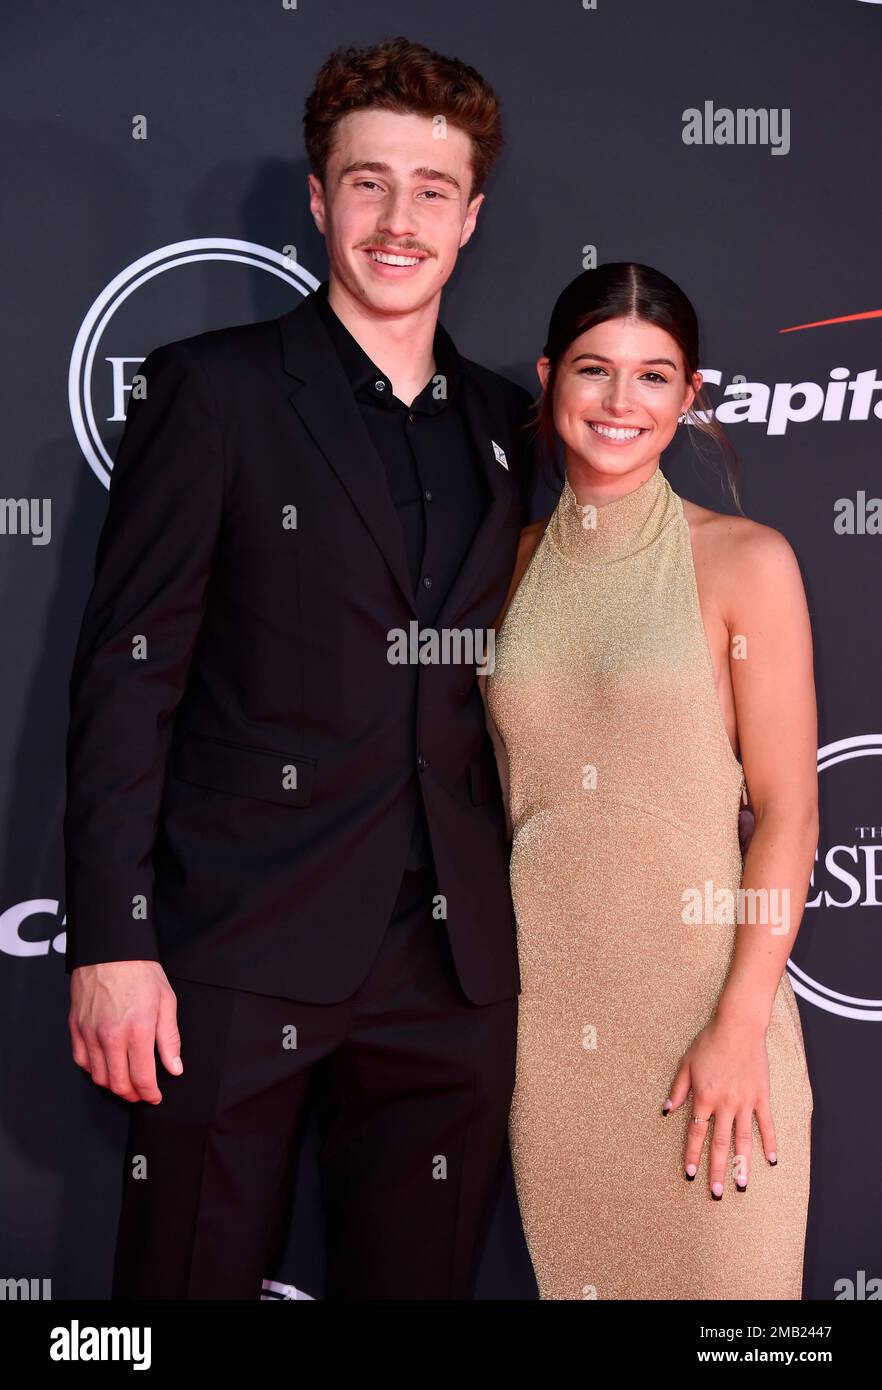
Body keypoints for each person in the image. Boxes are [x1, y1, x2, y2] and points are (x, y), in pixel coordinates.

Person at [63, 36, 535, 1300]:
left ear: (472, 215)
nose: (399, 219)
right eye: (367, 182)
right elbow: (128, 676)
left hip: (448, 967)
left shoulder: (509, 429)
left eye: (432, 190)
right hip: (233, 942)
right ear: (320, 200)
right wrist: (112, 940)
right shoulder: (211, 395)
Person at [482, 262, 816, 1299]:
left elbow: (790, 813)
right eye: (595, 370)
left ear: (690, 394)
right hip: (550, 1037)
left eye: (654, 376)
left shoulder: (747, 562)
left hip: (710, 1019)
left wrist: (739, 1021)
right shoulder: (501, 567)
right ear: (549, 379)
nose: (622, 403)